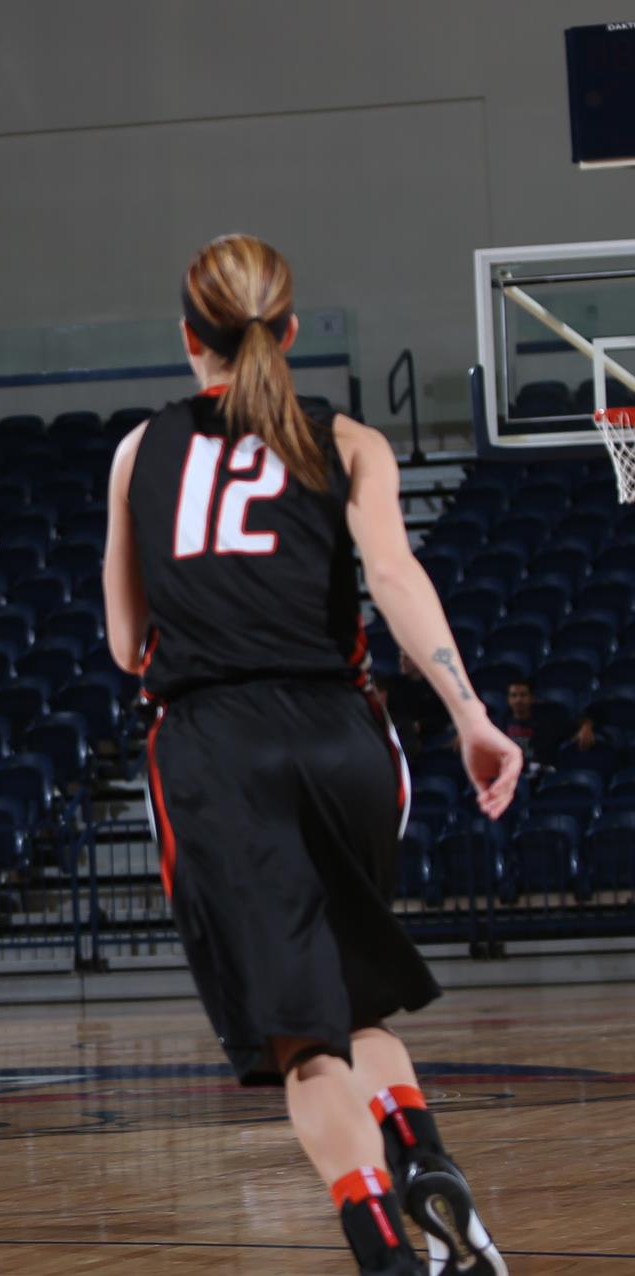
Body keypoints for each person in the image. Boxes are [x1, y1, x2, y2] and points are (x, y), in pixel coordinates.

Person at [103, 234, 520, 1275]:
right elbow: (393, 574)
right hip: (342, 734)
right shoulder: (349, 439)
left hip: (214, 746)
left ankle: (380, 1245)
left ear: (187, 339)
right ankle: (423, 1156)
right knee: (354, 998)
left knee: (303, 1042)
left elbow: (124, 645)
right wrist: (468, 710)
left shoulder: (137, 450)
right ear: (288, 332)